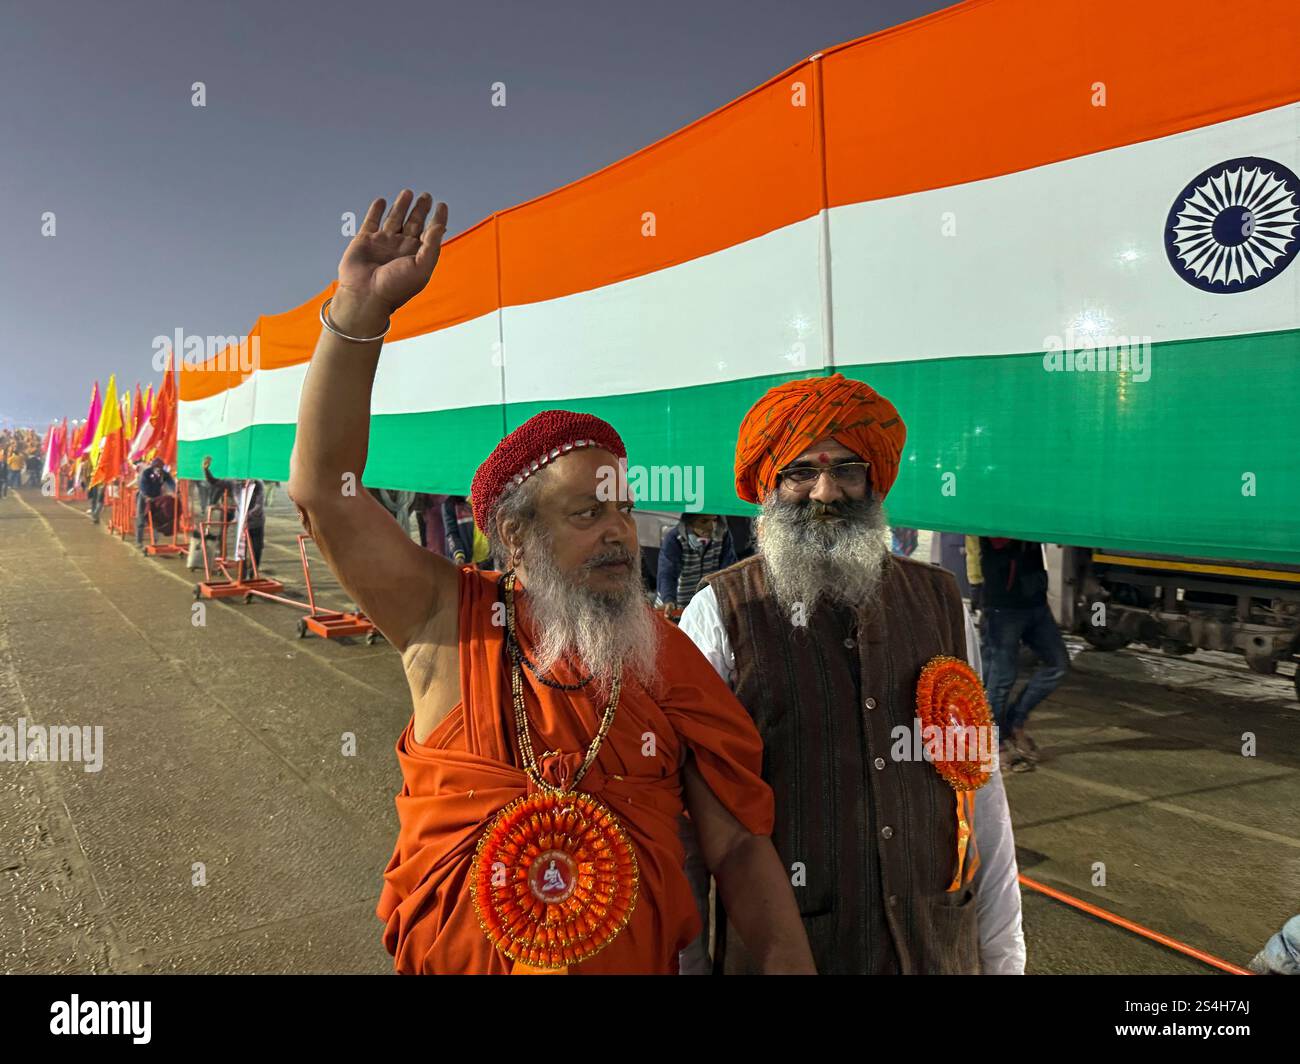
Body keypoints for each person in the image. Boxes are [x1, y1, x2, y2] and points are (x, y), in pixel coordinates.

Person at [287, 190, 814, 975]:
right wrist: (357, 313)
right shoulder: (446, 619)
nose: (618, 533)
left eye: (625, 510)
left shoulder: (662, 656)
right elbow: (327, 490)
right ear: (514, 536)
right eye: (586, 515)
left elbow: (736, 844)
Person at [679, 372, 1024, 974]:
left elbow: (981, 792)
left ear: (874, 478)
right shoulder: (719, 614)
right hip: (791, 953)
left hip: (936, 947)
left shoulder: (941, 604)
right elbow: (689, 822)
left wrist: (1003, 958)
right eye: (800, 472)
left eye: (845, 468)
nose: (825, 492)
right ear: (768, 486)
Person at [968, 537, 1070, 772]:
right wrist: (976, 586)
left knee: (1059, 665)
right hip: (1003, 605)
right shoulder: (995, 512)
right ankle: (992, 742)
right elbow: (995, 541)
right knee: (1001, 679)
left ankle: (1015, 722)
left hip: (1035, 602)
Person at [655, 513, 736, 618]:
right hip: (676, 606)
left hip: (704, 607)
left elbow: (728, 570)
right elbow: (667, 573)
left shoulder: (722, 535)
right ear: (690, 522)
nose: (711, 527)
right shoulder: (675, 539)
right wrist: (669, 600)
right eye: (704, 521)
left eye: (714, 520)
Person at [202, 457, 266, 569]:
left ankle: (253, 572)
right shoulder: (234, 483)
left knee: (256, 549)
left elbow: (259, 506)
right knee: (241, 550)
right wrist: (206, 470)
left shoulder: (257, 484)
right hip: (242, 523)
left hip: (256, 523)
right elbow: (215, 482)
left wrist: (245, 515)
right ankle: (243, 574)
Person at [135, 457, 176, 548]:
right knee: (141, 518)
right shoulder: (146, 473)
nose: (159, 469)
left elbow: (170, 482)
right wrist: (147, 497)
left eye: (160, 467)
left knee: (155, 518)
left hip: (156, 497)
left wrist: (175, 491)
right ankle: (138, 542)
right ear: (153, 467)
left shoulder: (164, 474)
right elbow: (142, 486)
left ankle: (155, 541)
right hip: (143, 497)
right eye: (157, 467)